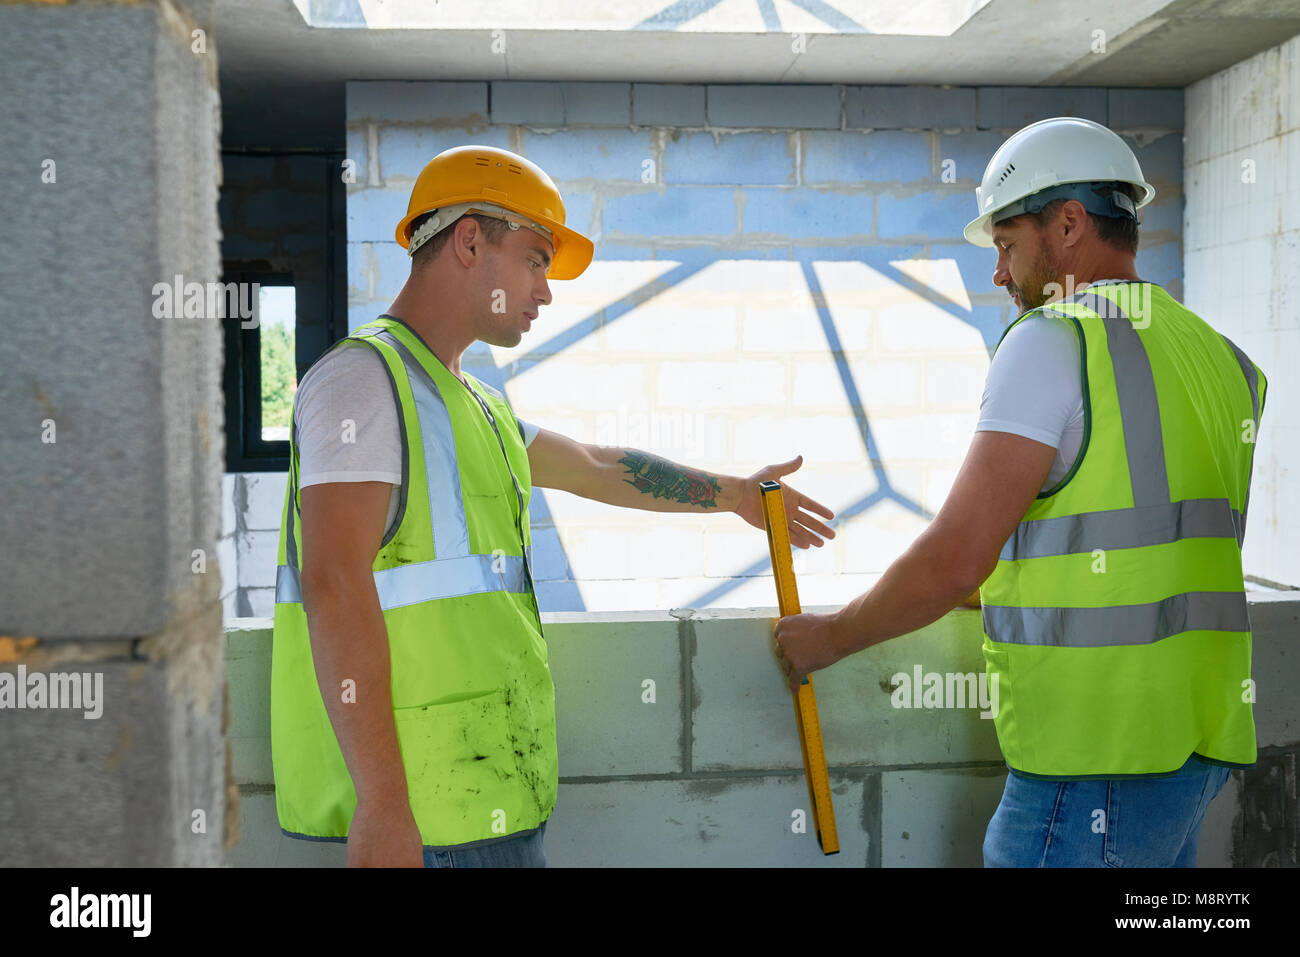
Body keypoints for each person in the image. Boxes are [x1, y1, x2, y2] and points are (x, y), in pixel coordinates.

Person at [270, 144, 836, 868]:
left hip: (492, 798)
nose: (545, 291)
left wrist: (736, 494)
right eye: (536, 259)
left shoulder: (475, 403)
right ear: (472, 240)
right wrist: (383, 806)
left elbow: (601, 467)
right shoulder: (361, 381)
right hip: (425, 824)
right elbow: (333, 582)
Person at [772, 116, 1266, 867]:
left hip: (1090, 762)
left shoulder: (1054, 338)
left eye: (1006, 245)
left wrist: (828, 638)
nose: (999, 274)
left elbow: (956, 559)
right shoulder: (1224, 359)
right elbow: (1144, 543)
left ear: (1068, 223)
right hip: (1194, 750)